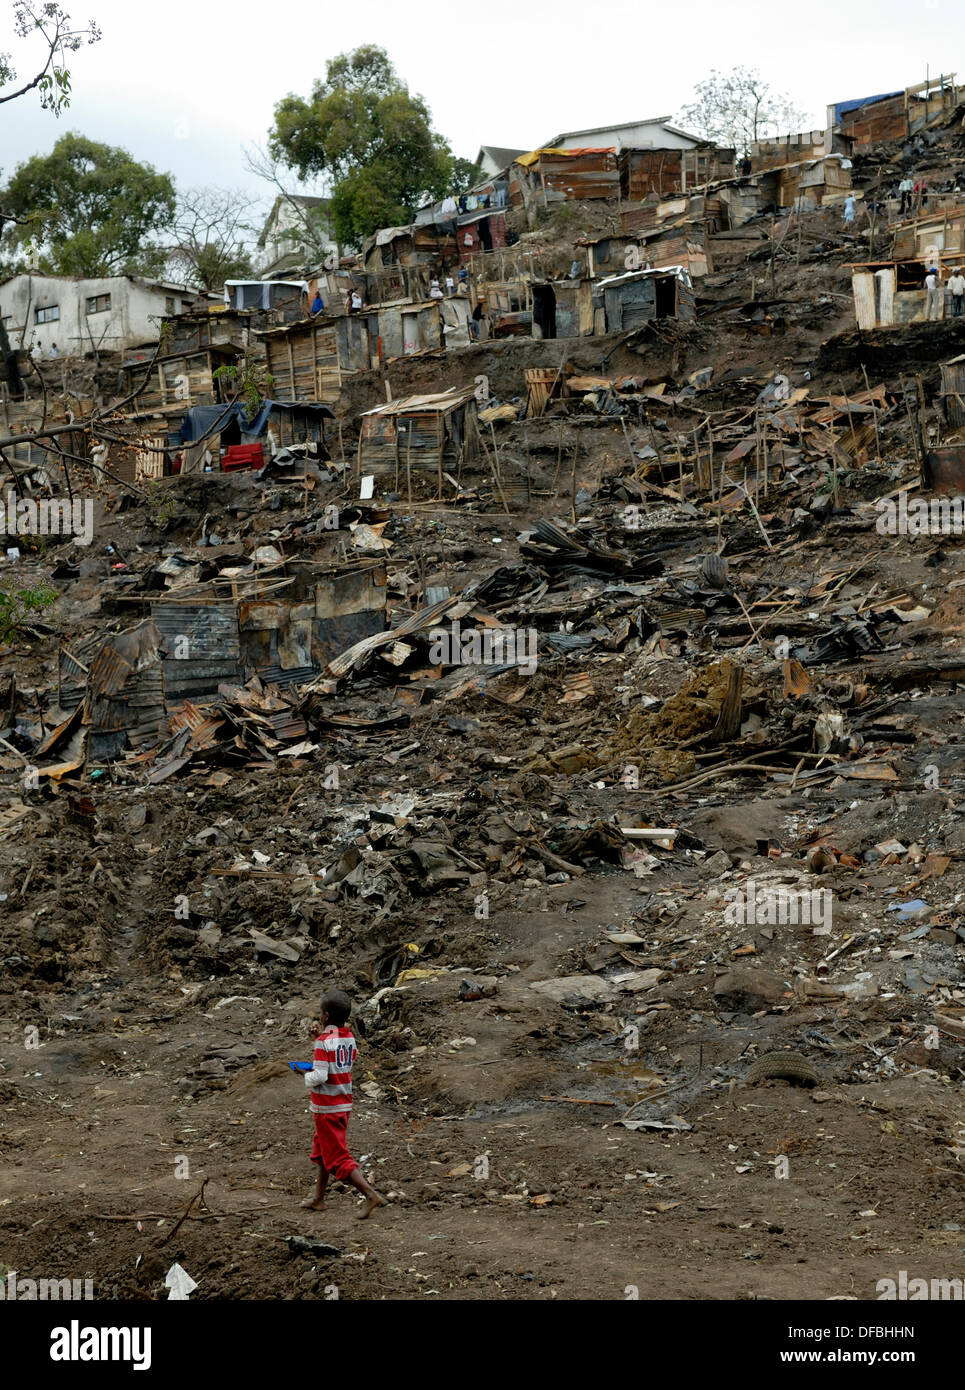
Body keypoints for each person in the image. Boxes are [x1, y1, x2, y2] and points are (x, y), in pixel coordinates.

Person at [301, 989, 386, 1219]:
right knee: (322, 1152)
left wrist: (304, 1075)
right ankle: (318, 1198)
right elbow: (339, 1060)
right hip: (343, 1104)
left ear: (326, 1016)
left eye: (321, 1012)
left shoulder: (323, 1042)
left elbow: (320, 1076)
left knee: (337, 1158)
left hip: (327, 1107)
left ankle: (370, 1195)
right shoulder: (348, 1037)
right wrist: (317, 1041)